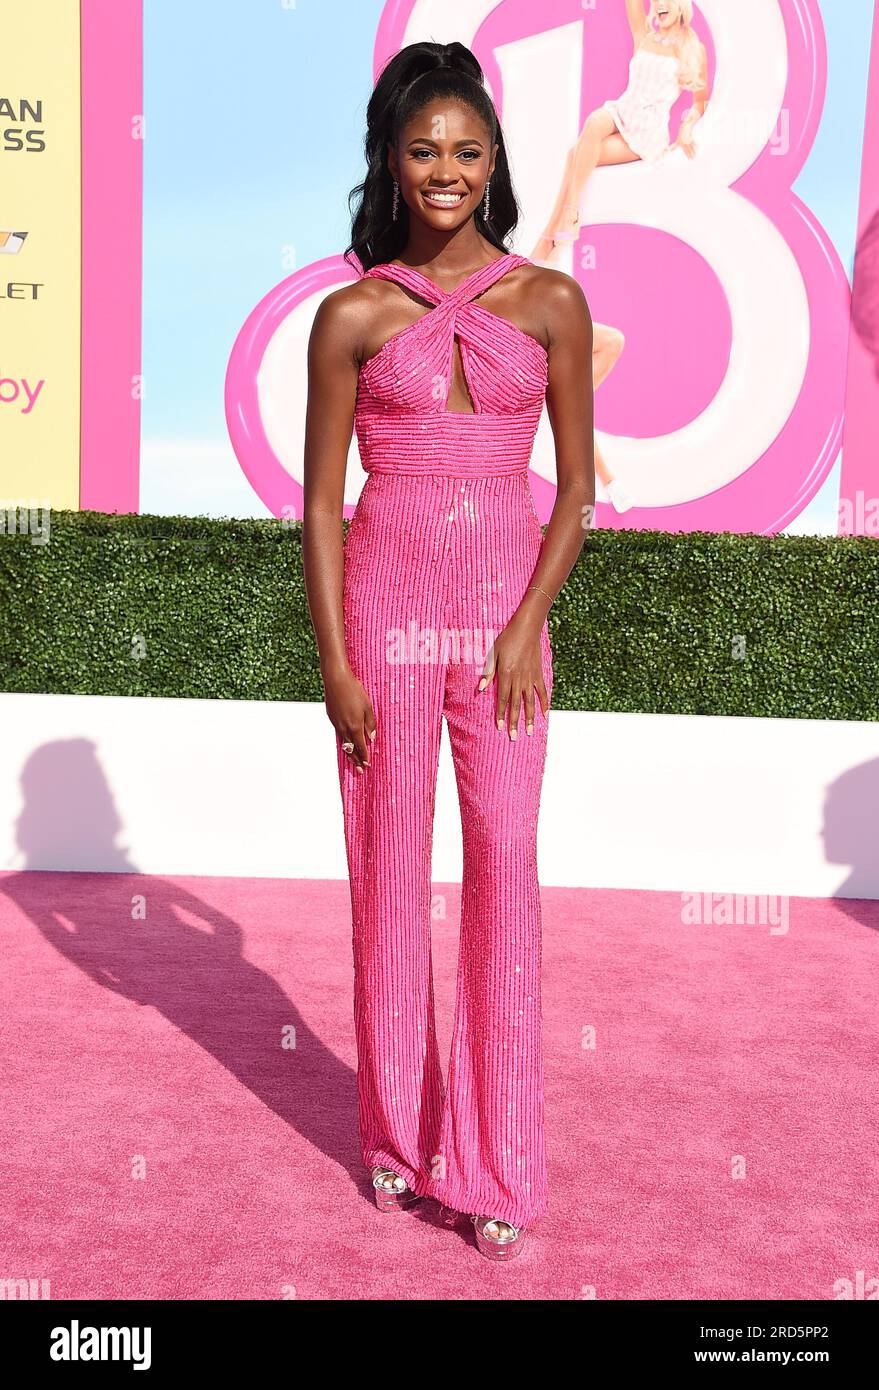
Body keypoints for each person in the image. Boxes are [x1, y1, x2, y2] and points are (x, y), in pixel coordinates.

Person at [302, 39, 594, 1260]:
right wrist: (334, 663)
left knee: (505, 864)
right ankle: (394, 1135)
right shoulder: (352, 314)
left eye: (467, 151)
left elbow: (575, 491)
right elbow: (321, 503)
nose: (445, 170)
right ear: (391, 157)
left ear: (494, 163)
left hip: (501, 622)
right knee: (386, 866)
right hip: (381, 604)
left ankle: (493, 1163)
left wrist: (527, 621)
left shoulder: (552, 302)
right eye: (423, 149)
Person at [532, 0, 710, 266]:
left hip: (646, 134)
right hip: (621, 111)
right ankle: (568, 220)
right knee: (593, 122)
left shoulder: (693, 49)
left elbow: (700, 100)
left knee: (574, 154)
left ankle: (549, 239)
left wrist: (686, 127)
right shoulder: (644, 34)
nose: (659, 4)